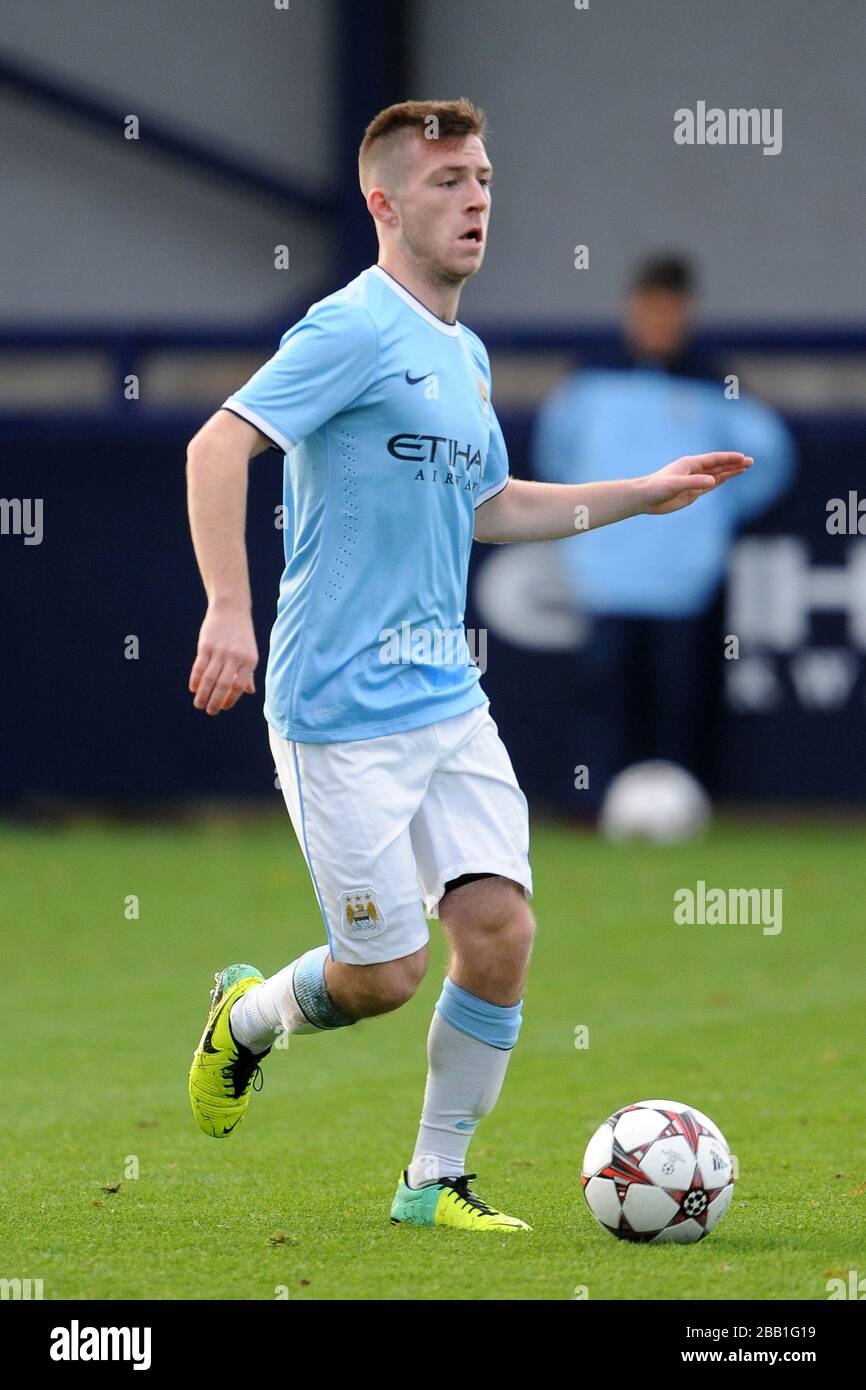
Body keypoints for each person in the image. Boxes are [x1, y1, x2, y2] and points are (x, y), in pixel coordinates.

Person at [185, 101, 751, 1231]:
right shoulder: (348, 328)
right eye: (446, 181)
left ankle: (429, 1182)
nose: (476, 197)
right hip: (335, 706)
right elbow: (217, 443)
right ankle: (246, 1019)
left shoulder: (463, 350)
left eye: (483, 176)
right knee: (384, 975)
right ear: (383, 205)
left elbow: (489, 507)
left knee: (498, 934)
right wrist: (229, 610)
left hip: (445, 694)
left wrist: (641, 493)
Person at [532, 254, 795, 803]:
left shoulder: (713, 382)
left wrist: (711, 518)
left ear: (685, 313)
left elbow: (767, 457)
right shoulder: (590, 381)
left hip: (681, 581)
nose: (658, 322)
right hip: (605, 575)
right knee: (601, 695)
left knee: (679, 699)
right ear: (633, 310)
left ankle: (682, 808)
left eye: (669, 311)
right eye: (649, 309)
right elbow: (556, 456)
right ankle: (590, 805)